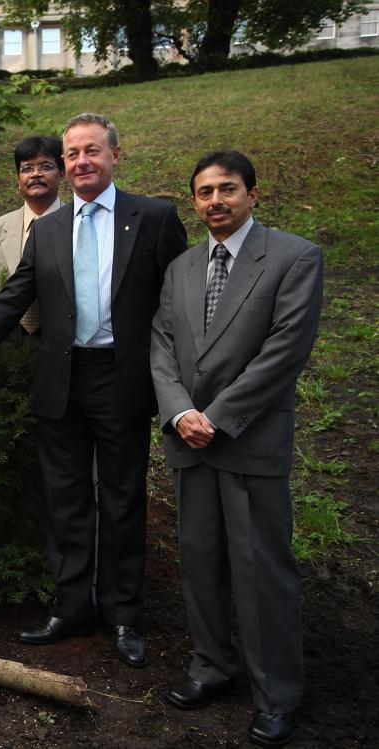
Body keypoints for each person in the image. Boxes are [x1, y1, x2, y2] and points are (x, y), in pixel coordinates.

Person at [0, 113, 187, 668]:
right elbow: (11, 299)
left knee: (121, 500)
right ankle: (73, 607)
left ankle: (121, 613)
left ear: (117, 155)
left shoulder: (155, 218)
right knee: (65, 500)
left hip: (123, 379)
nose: (80, 163)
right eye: (72, 154)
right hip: (61, 382)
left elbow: (179, 305)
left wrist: (185, 384)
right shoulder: (48, 228)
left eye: (91, 152)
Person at [151, 151, 322, 747]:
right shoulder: (181, 268)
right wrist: (178, 413)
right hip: (189, 440)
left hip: (247, 438)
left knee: (259, 571)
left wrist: (218, 418)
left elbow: (284, 352)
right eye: (203, 192)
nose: (215, 201)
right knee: (198, 562)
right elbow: (162, 347)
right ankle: (212, 665)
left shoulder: (294, 258)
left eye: (227, 189)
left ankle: (277, 692)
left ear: (253, 193)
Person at [0, 135, 64, 336]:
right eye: (27, 168)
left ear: (62, 173)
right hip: (8, 342)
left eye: (46, 166)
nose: (36, 174)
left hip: (64, 341)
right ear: (18, 180)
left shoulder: (79, 225)